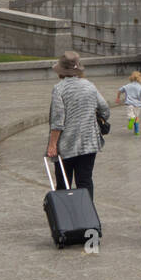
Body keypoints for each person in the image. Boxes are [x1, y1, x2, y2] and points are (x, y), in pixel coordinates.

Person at [45, 51, 109, 200]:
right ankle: (86, 212)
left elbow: (57, 120)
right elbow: (105, 109)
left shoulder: (59, 89)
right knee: (85, 181)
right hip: (89, 143)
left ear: (61, 71)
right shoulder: (89, 86)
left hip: (66, 144)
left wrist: (52, 145)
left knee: (64, 183)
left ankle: (66, 212)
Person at [116, 71, 141, 136]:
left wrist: (118, 98)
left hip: (129, 104)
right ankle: (136, 131)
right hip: (138, 105)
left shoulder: (127, 86)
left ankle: (131, 119)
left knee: (130, 115)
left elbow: (120, 90)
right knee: (136, 117)